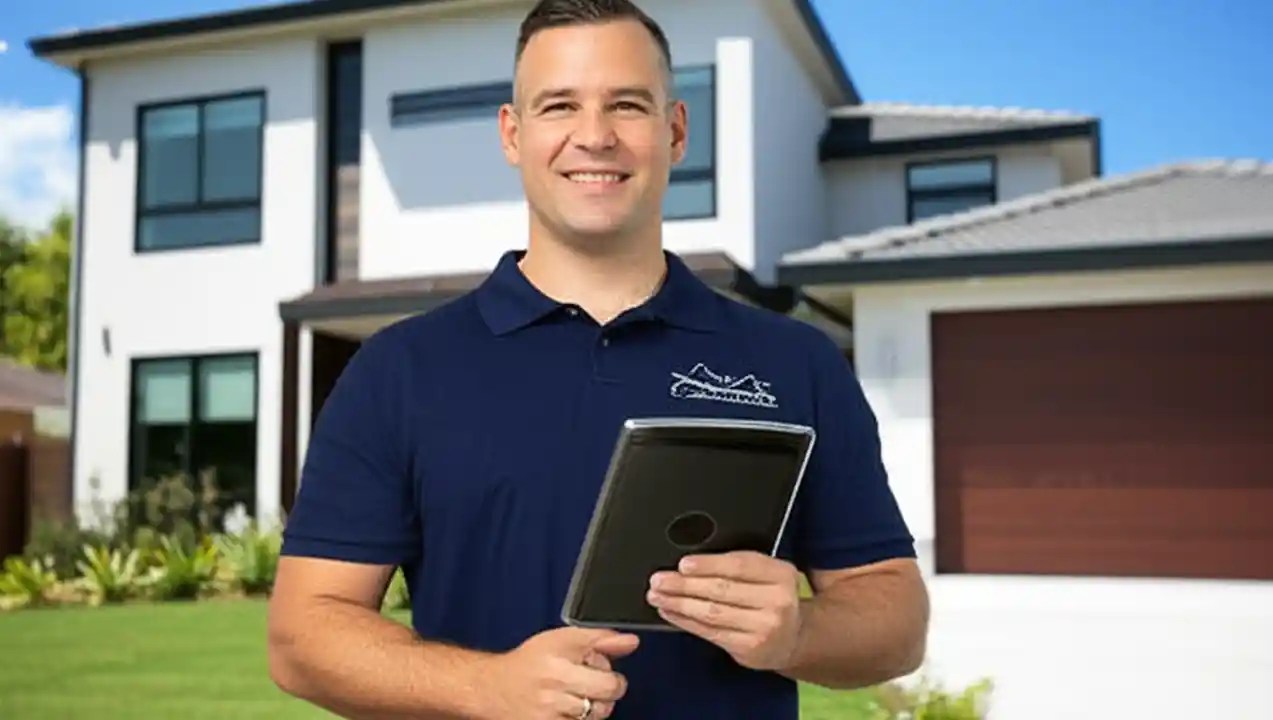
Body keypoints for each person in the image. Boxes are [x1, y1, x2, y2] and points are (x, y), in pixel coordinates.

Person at [266, 0, 929, 717]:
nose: (595, 137)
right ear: (512, 135)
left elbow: (895, 618)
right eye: (559, 106)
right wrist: (483, 687)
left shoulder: (795, 362)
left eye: (627, 105)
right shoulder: (398, 371)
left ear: (675, 132)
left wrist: (797, 632)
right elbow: (303, 634)